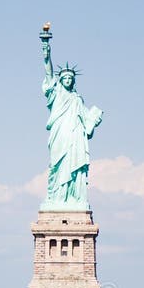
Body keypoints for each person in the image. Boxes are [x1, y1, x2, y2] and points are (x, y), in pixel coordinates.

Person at [41, 36, 102, 208]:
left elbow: (87, 122)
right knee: (56, 166)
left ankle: (73, 197)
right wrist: (46, 52)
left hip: (74, 136)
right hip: (59, 134)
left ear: (73, 81)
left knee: (73, 166)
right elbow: (48, 72)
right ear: (60, 80)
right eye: (65, 78)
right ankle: (56, 198)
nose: (67, 80)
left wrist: (94, 120)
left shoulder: (77, 99)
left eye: (70, 78)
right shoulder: (57, 93)